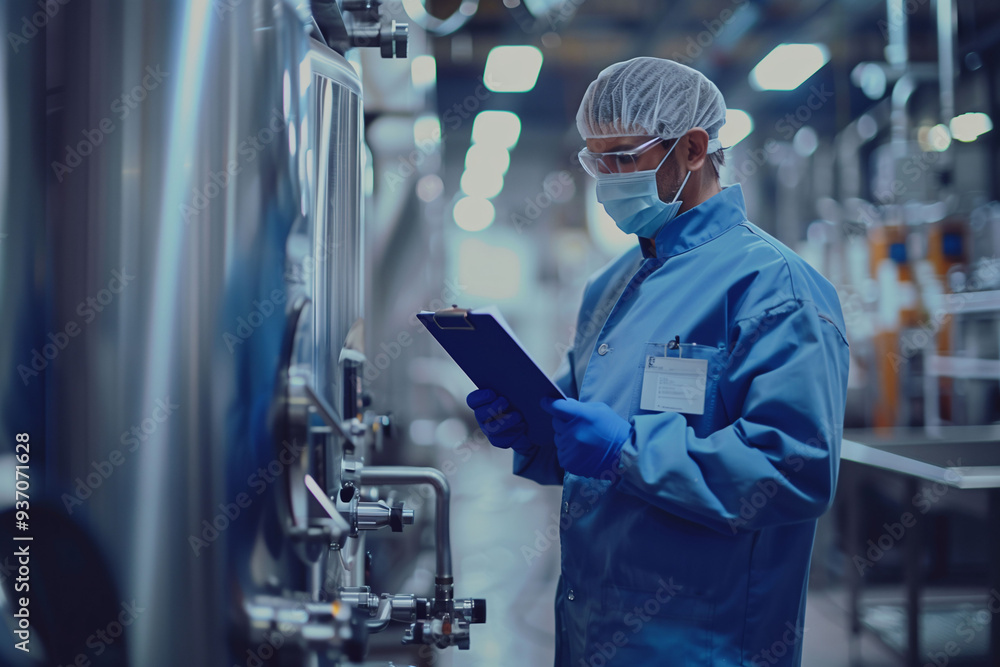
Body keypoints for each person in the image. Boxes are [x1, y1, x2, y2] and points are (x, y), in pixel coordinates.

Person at [466, 57, 850, 666]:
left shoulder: (775, 288)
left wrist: (628, 451)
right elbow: (580, 426)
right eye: (597, 161)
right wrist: (531, 432)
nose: (608, 178)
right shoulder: (612, 286)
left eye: (624, 157)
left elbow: (796, 469)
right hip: (594, 624)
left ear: (693, 149)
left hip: (708, 637)